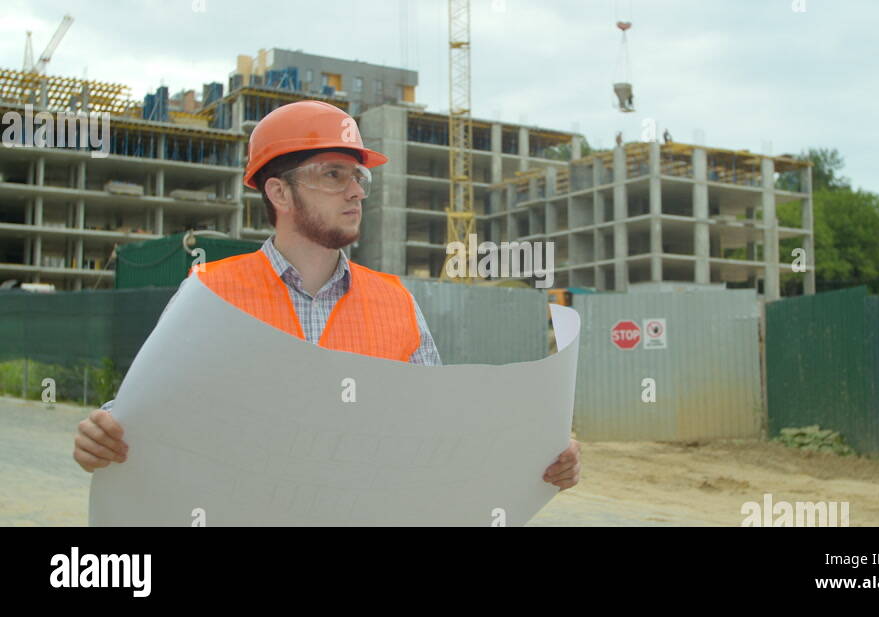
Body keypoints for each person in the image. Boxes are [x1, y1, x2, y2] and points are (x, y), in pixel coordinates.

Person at [72, 100, 581, 493]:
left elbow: (437, 433)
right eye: (333, 175)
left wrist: (535, 455)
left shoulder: (396, 302)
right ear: (279, 193)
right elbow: (141, 416)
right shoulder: (210, 292)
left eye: (358, 176)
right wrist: (101, 436)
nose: (356, 191)